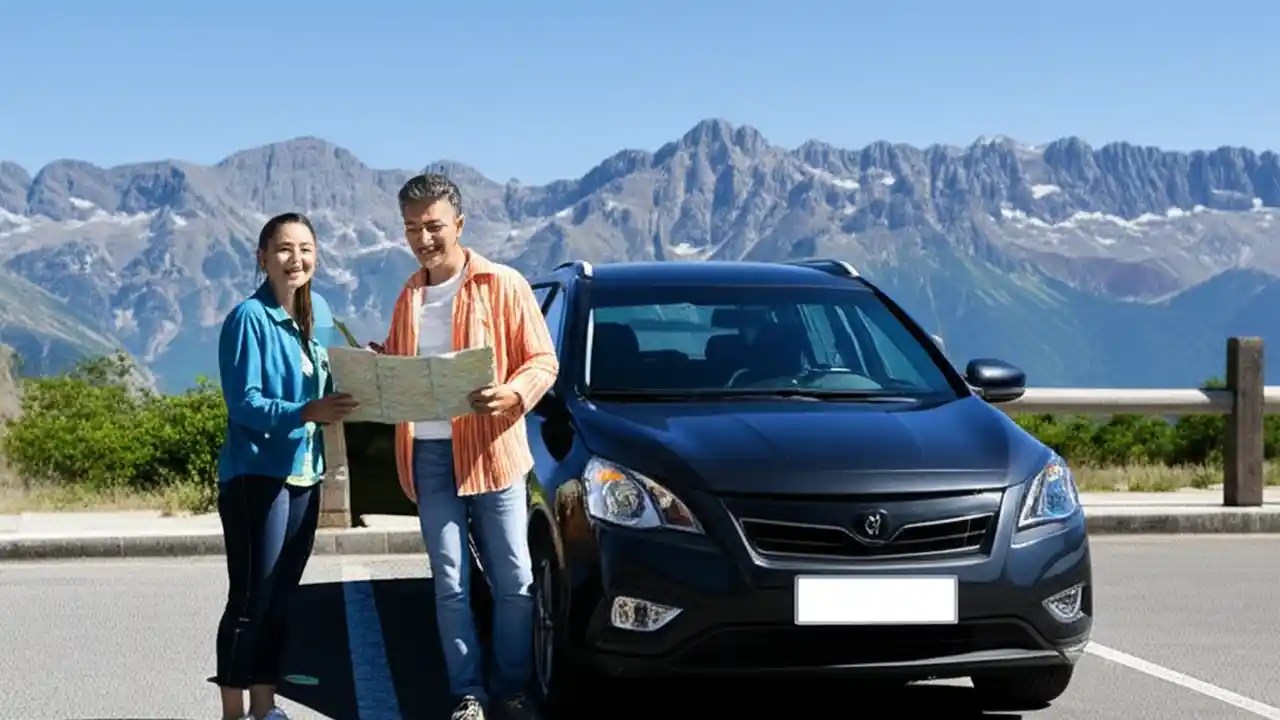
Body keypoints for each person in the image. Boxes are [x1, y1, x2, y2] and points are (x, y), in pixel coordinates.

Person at [370, 174, 558, 720]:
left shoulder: (504, 284)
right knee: (449, 581)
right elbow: (408, 365)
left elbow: (543, 361)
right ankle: (468, 694)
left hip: (492, 452)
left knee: (514, 581)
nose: (423, 239)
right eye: (412, 229)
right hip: (428, 454)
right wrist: (378, 363)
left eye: (433, 227)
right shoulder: (409, 295)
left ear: (459, 224)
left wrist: (512, 393)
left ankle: (513, 689)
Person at [213, 212, 359, 720]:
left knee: (280, 599)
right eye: (283, 249)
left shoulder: (317, 310)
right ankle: (234, 711)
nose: (295, 259)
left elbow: (326, 382)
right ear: (262, 258)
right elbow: (244, 405)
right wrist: (305, 412)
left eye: (305, 249)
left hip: (305, 474)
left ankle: (265, 706)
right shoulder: (247, 318)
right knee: (251, 597)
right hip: (258, 475)